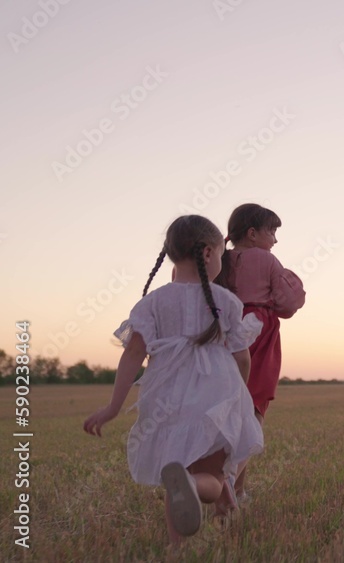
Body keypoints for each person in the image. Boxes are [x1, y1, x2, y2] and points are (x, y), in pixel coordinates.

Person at [83, 215, 264, 545]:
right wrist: (240, 399)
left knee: (176, 472)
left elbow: (132, 356)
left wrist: (113, 407)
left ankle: (176, 547)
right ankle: (198, 488)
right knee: (208, 475)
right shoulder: (225, 302)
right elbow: (242, 357)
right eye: (222, 256)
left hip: (165, 403)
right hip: (214, 398)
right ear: (208, 254)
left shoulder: (152, 303)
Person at [216, 203, 305, 500]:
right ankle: (227, 482)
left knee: (227, 411)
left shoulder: (220, 261)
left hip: (223, 334)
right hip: (260, 335)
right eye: (272, 231)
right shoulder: (266, 260)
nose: (276, 240)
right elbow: (289, 304)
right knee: (254, 409)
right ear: (253, 233)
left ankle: (238, 489)